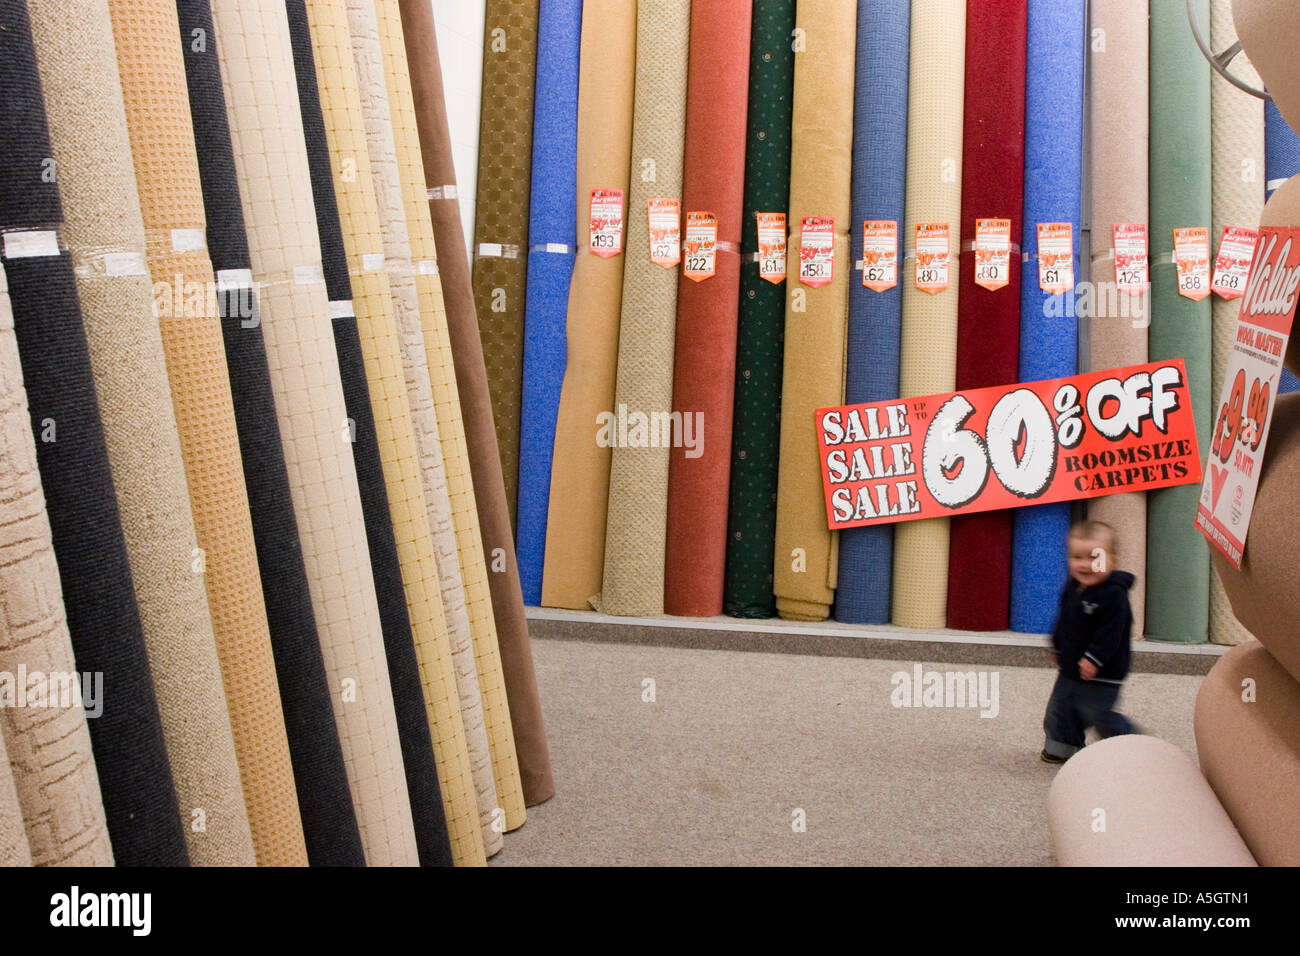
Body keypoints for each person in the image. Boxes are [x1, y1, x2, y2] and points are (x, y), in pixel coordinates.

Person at [1040, 519, 1138, 763]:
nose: (1085, 565)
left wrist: (1094, 658)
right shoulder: (1074, 587)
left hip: (1104, 672)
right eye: (1077, 557)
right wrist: (1057, 644)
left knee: (1097, 714)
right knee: (1059, 709)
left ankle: (1133, 745)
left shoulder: (1114, 595)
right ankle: (1060, 748)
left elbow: (1112, 633)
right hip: (1070, 666)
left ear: (1112, 560)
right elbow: (1064, 619)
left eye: (1094, 557)